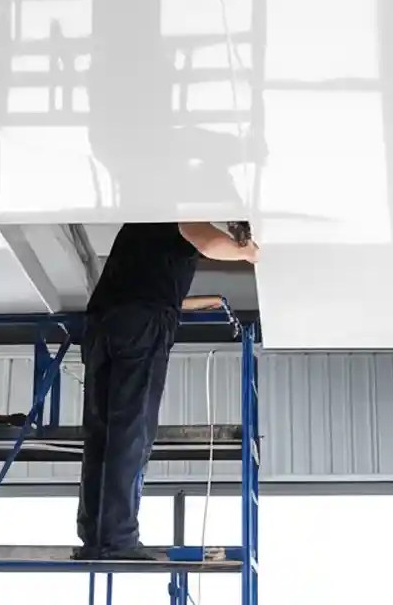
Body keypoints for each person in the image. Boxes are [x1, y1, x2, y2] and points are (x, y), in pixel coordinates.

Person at [75, 222, 259, 560]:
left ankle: (95, 537)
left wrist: (209, 301)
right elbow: (206, 241)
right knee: (132, 431)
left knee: (100, 434)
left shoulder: (141, 224)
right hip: (141, 327)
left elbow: (157, 290)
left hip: (102, 325)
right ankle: (117, 540)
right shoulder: (182, 208)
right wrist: (247, 253)